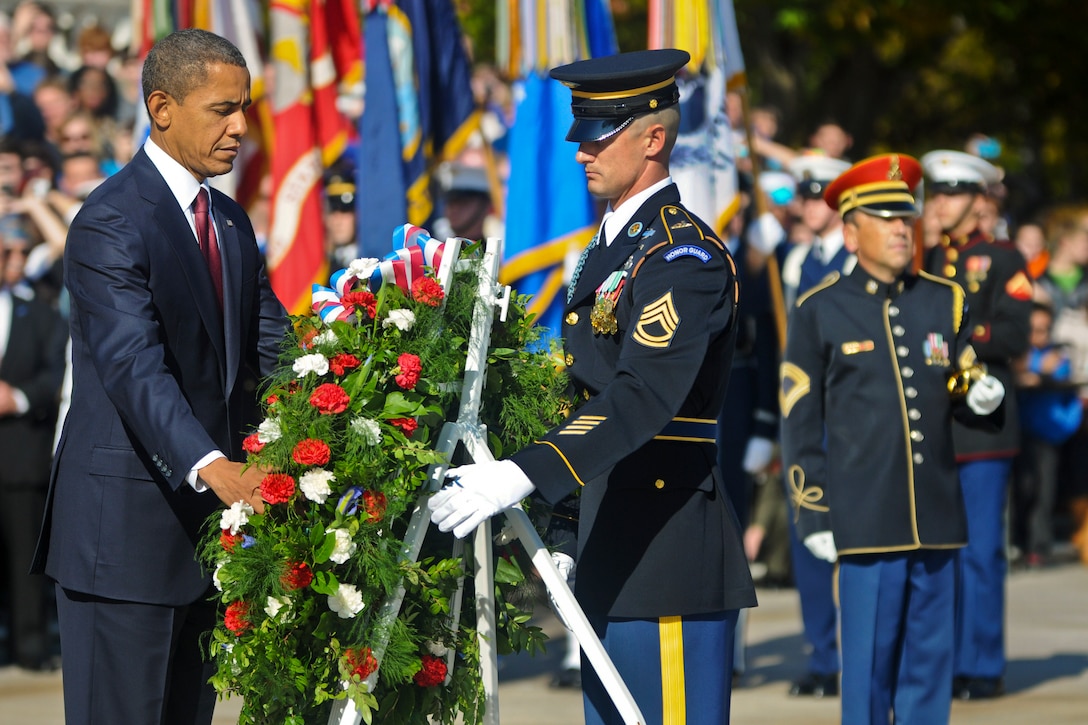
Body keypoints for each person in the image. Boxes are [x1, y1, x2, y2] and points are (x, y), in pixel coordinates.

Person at [428, 49, 756, 724]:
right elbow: (585, 391)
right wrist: (570, 529)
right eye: (580, 133)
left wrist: (526, 471)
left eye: (601, 134)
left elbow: (642, 394)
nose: (583, 151)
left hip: (665, 551)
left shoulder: (680, 257)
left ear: (655, 138)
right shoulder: (611, 251)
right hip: (613, 541)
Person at [31, 28, 289, 725]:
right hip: (120, 542)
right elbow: (132, 364)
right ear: (162, 107)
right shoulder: (110, 221)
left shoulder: (229, 220)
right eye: (222, 109)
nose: (241, 127)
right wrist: (213, 464)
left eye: (245, 108)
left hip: (207, 540)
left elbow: (276, 350)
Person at [781, 153, 1006, 725]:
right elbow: (801, 425)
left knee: (931, 665)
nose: (903, 229)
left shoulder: (943, 298)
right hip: (864, 520)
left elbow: (960, 372)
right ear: (852, 232)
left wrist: (978, 392)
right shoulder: (820, 309)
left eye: (906, 216)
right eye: (886, 219)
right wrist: (813, 513)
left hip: (934, 514)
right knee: (869, 670)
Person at [921, 149, 1032, 701]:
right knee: (938, 553)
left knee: (981, 551)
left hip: (983, 425)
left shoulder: (1003, 259)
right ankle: (946, 661)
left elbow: (1014, 336)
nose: (938, 203)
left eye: (951, 194)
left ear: (978, 201)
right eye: (936, 193)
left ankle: (982, 664)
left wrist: (958, 336)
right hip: (935, 425)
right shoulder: (922, 259)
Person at [776, 153, 852, 698]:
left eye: (820, 194)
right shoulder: (795, 259)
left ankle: (860, 655)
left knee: (854, 543)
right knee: (809, 531)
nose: (809, 204)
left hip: (849, 416)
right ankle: (823, 656)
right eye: (806, 195)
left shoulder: (856, 264)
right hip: (805, 418)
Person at [0, 217, 66, 671]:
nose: (17, 261)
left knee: (25, 557)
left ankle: (29, 646)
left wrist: (17, 397)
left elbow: (56, 374)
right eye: (7, 253)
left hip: (19, 456)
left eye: (22, 252)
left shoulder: (41, 313)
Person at [1012, 302, 1082, 567]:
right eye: (1033, 329)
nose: (1038, 336)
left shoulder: (1058, 354)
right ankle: (1019, 542)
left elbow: (1062, 376)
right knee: (1023, 489)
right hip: (1021, 432)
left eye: (1044, 330)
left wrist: (1037, 373)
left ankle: (1039, 546)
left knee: (1043, 490)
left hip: (1048, 435)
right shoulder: (1017, 353)